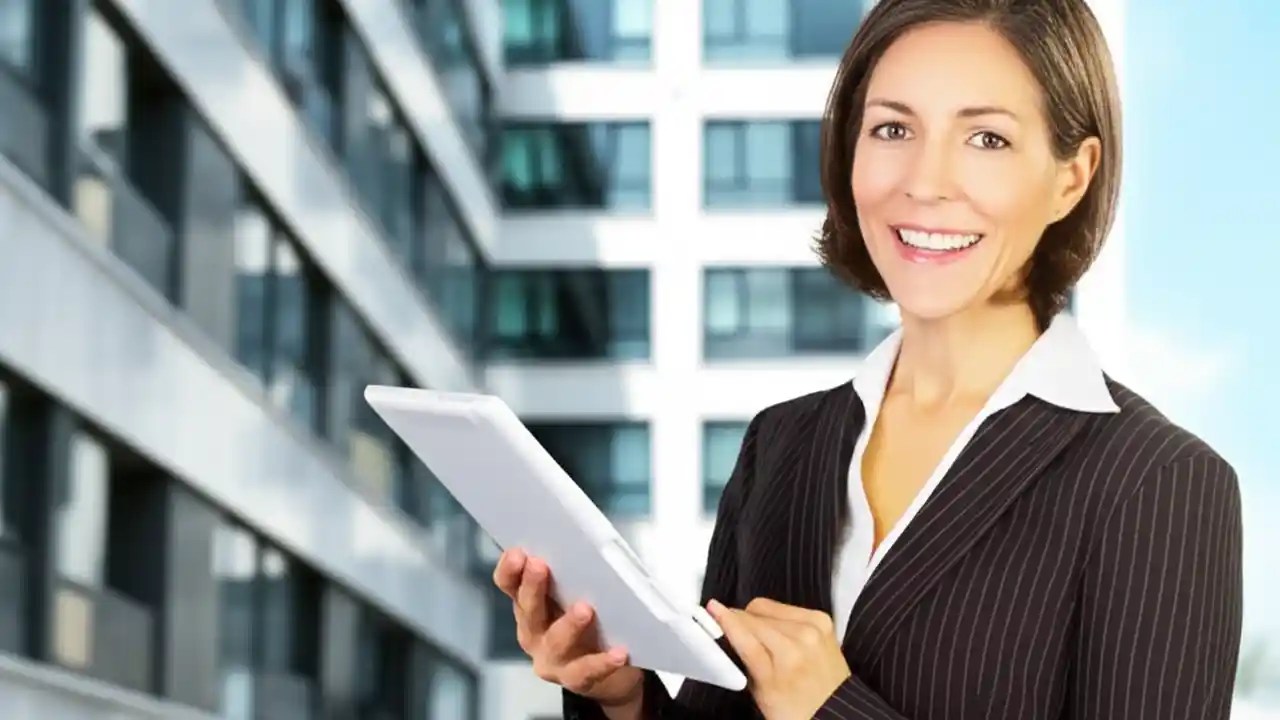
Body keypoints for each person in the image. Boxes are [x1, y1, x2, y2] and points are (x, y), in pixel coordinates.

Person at [493, 0, 1244, 717]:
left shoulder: (1159, 482)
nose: (924, 182)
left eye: (987, 139)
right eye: (892, 129)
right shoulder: (781, 444)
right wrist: (620, 696)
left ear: (1071, 177)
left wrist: (831, 708)